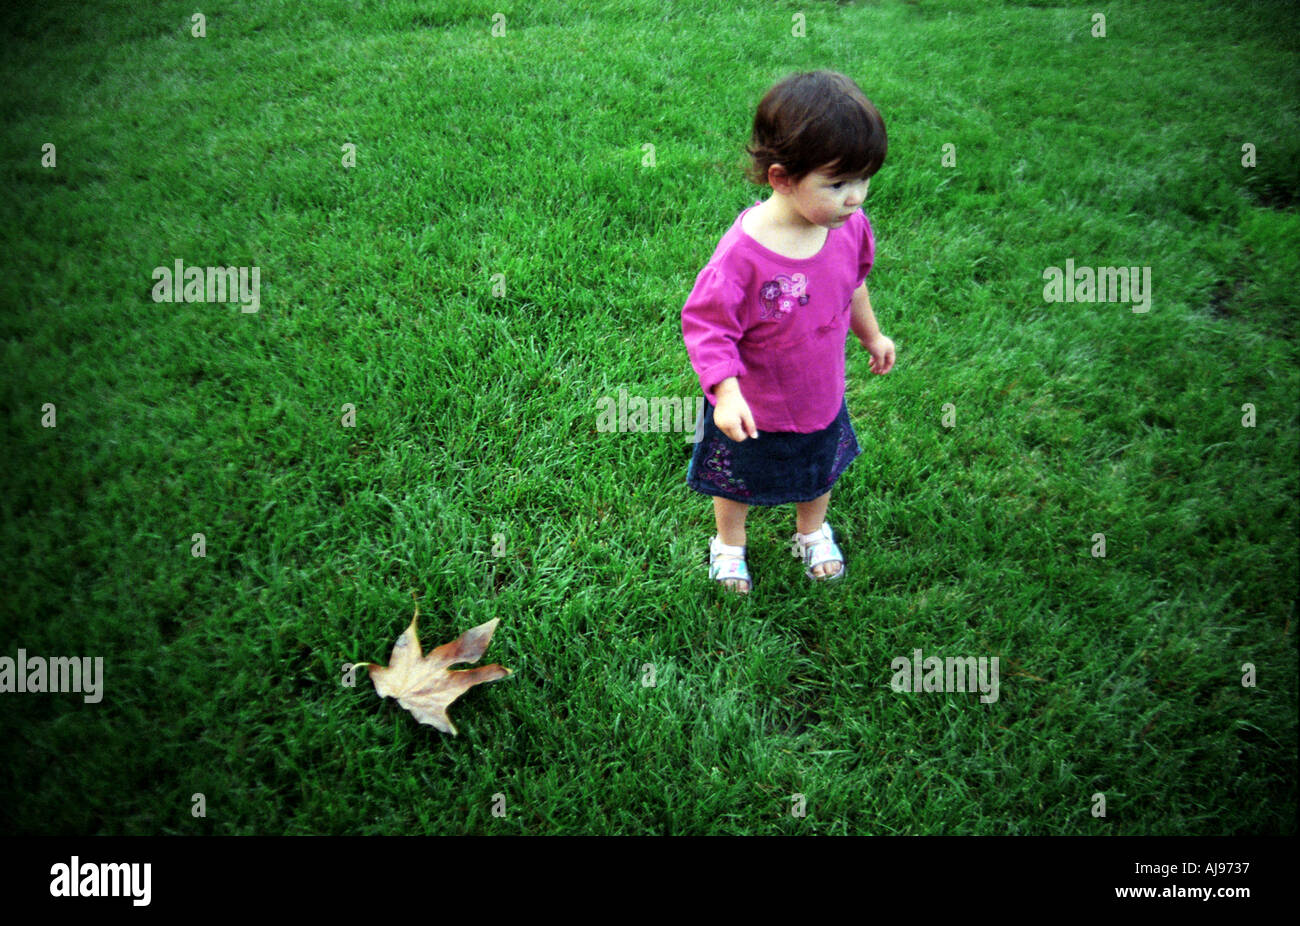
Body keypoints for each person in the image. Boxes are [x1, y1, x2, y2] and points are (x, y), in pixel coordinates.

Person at [681, 70, 896, 593]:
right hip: (753, 407)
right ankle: (729, 544)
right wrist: (726, 394)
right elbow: (708, 328)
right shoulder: (743, 256)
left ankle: (811, 530)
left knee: (817, 471)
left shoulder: (848, 228)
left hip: (819, 393)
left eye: (865, 180)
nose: (856, 197)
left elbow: (854, 288)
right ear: (781, 178)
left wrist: (872, 336)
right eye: (839, 183)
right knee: (736, 480)